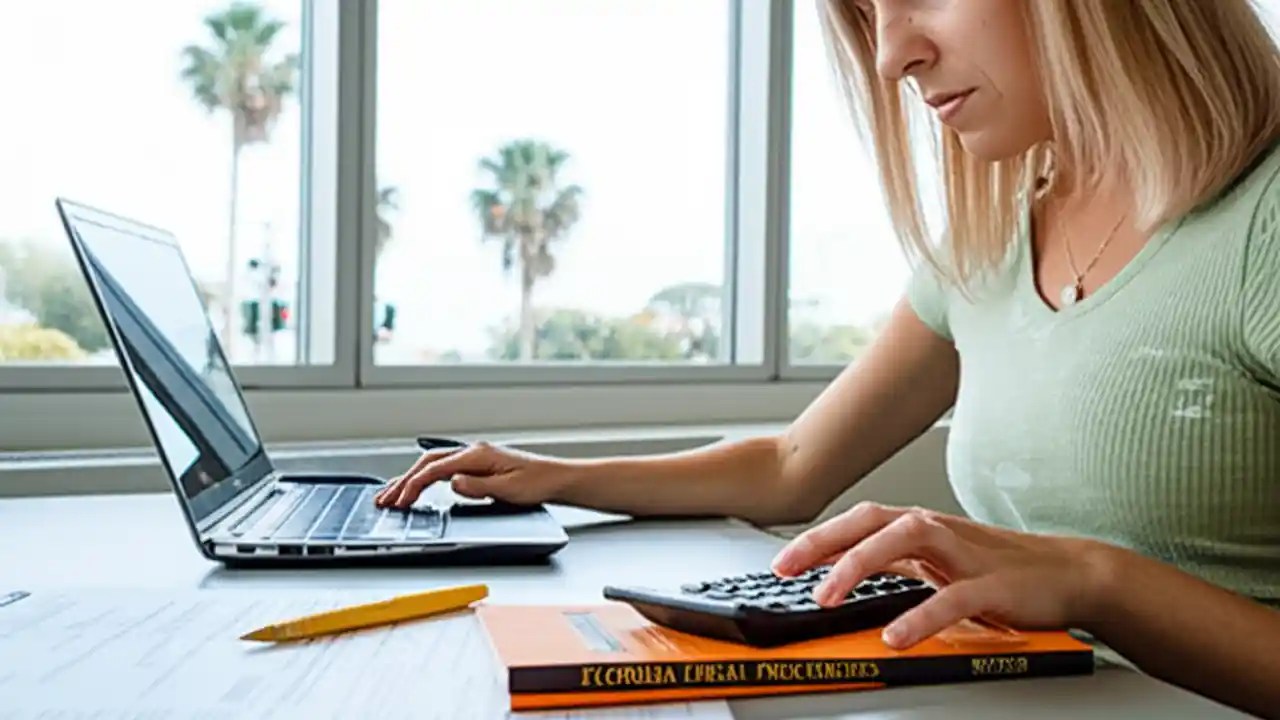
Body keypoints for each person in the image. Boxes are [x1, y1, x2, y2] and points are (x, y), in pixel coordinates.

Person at [377, 1, 1280, 716]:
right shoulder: (991, 241)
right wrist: (559, 476)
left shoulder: (1263, 219)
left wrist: (1094, 580)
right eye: (866, 12)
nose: (891, 57)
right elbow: (791, 467)